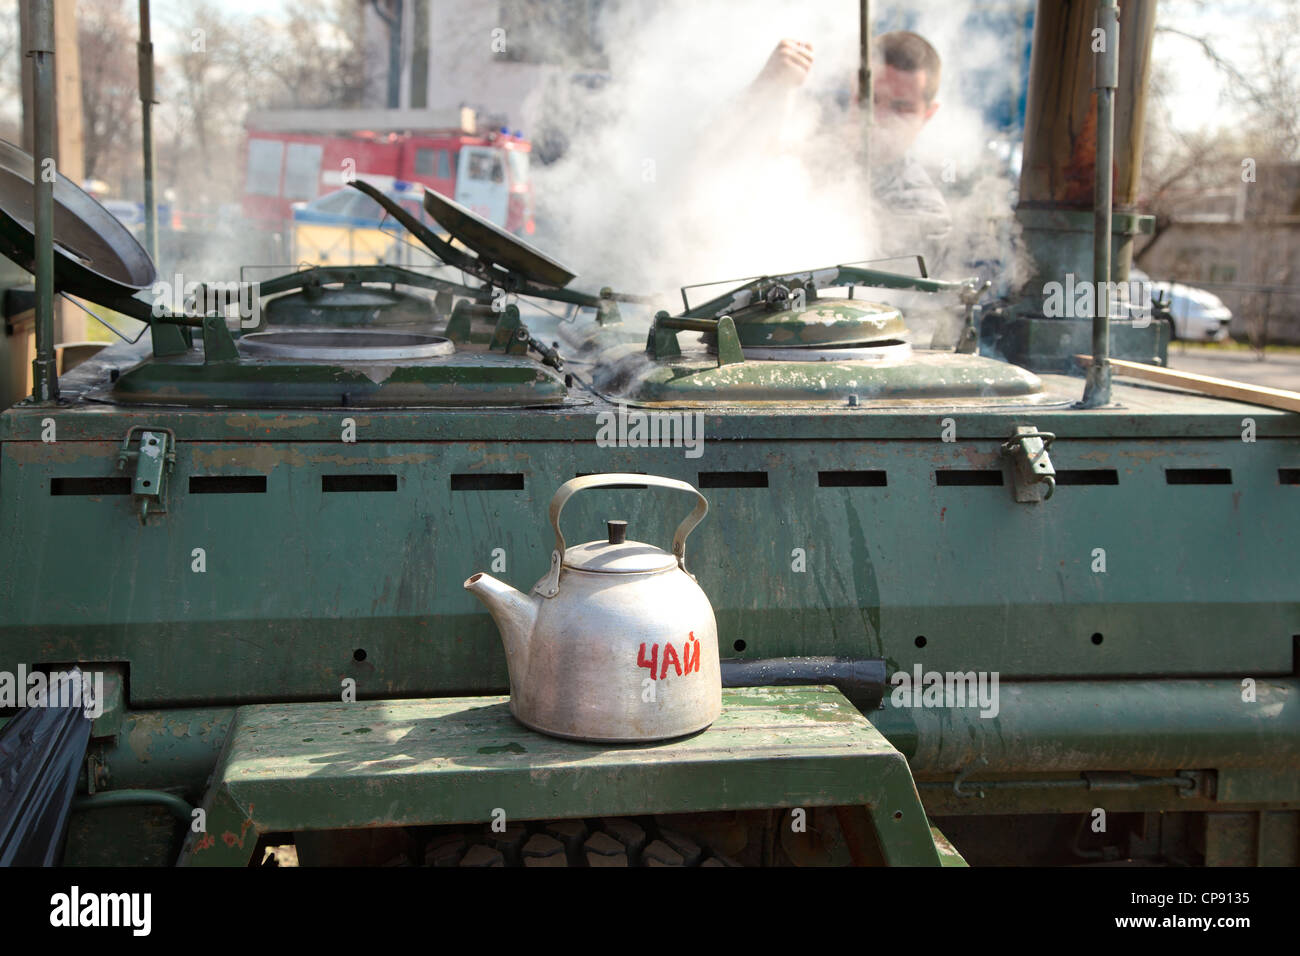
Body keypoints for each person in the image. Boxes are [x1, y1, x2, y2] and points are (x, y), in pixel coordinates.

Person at [749, 31, 952, 256]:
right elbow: (724, 173)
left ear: (928, 114)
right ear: (854, 87)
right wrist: (766, 90)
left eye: (901, 108)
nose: (879, 118)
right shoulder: (810, 134)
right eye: (870, 99)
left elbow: (866, 283)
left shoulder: (924, 213)